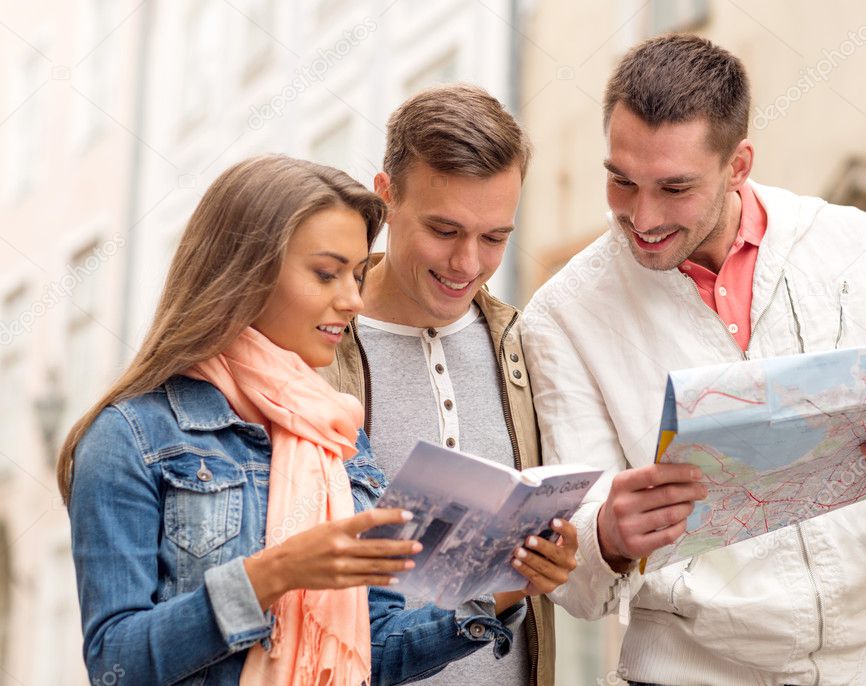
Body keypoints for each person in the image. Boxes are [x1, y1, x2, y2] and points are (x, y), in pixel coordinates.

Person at [522, 34, 866, 685]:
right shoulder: (562, 315)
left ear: (737, 164)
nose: (642, 217)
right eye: (621, 180)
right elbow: (573, 571)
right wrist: (605, 535)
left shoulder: (854, 243)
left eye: (674, 187)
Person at [60, 155, 567, 686]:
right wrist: (274, 574)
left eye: (356, 275)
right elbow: (115, 662)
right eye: (327, 274)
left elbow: (373, 649)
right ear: (245, 273)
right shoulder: (130, 437)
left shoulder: (337, 435)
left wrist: (505, 588)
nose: (352, 300)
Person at [319, 84, 569, 686]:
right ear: (386, 197)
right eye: (444, 230)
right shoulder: (315, 346)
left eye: (495, 238)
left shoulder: (522, 345)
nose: (467, 263)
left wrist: (556, 558)